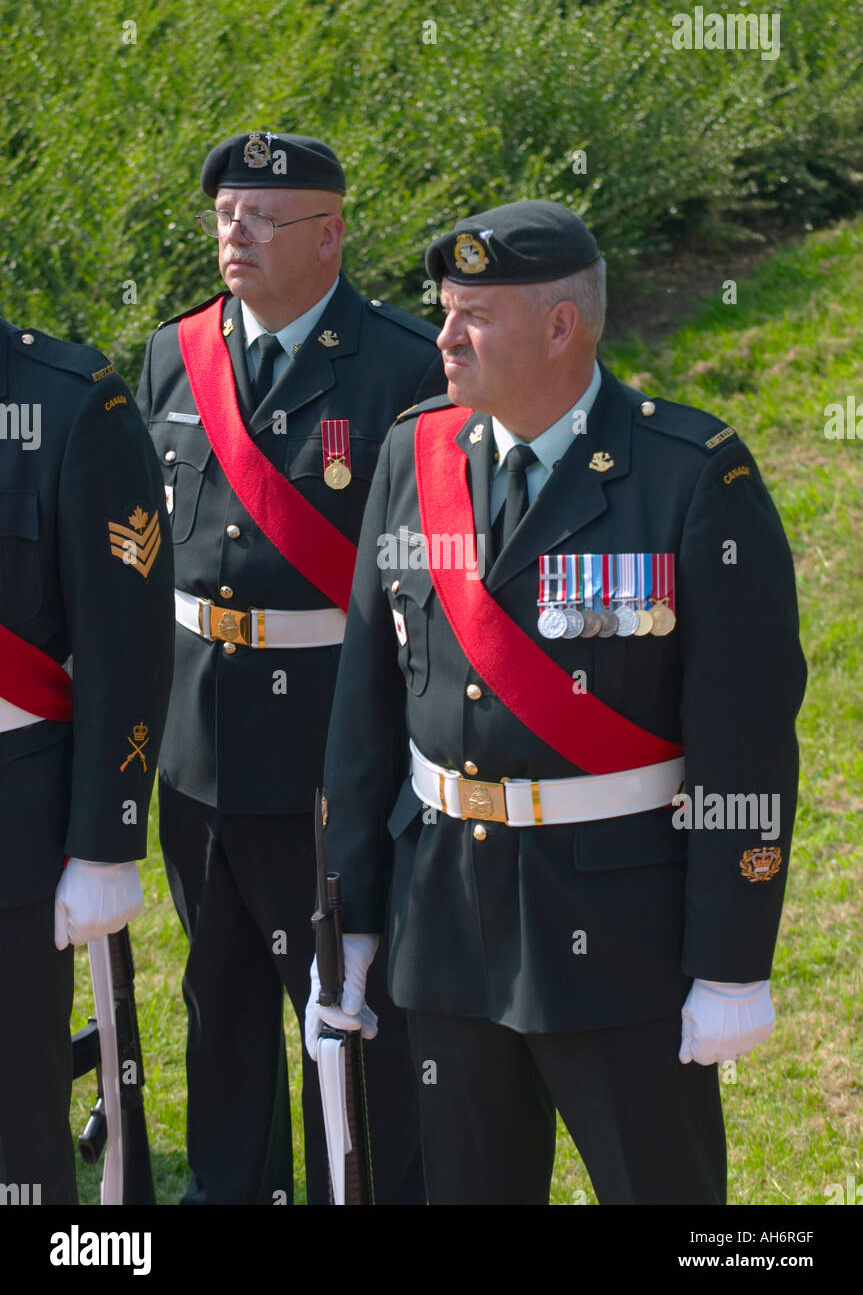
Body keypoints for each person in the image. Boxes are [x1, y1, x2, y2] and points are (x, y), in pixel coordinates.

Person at [307, 199, 808, 1205]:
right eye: (442, 312)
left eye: (470, 317)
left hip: (619, 924)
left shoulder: (688, 476)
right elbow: (364, 707)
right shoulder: (414, 457)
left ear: (558, 327)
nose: (442, 336)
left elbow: (742, 738)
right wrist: (351, 919)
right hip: (444, 912)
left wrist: (728, 960)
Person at [136, 130, 445, 1205]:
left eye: (264, 217)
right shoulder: (174, 353)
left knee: (341, 996)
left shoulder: (402, 363)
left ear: (331, 233)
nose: (237, 233)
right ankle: (228, 1187)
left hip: (325, 741)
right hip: (194, 732)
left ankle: (351, 1191)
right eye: (226, 214)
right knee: (215, 993)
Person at [0, 315, 174, 1204]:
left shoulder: (73, 401)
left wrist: (106, 842)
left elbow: (125, 638)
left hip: (14, 828)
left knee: (15, 1123)